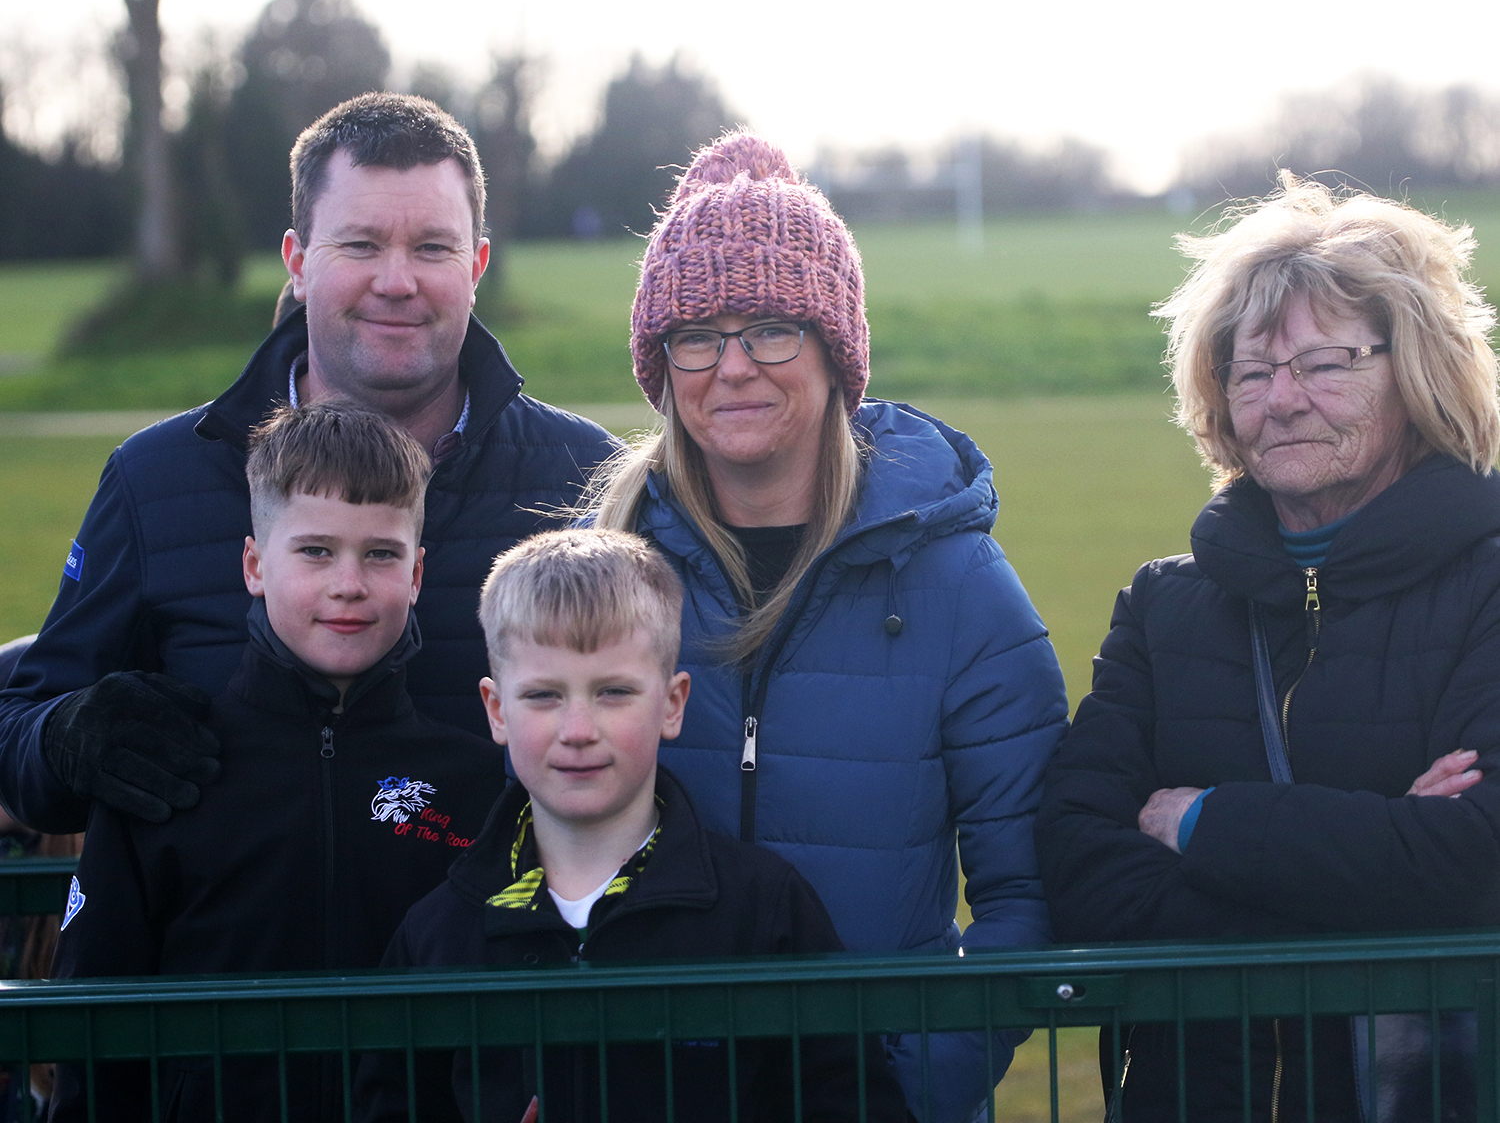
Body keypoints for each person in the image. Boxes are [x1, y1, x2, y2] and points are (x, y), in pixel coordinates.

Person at [584, 130, 1069, 1123]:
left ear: (836, 353)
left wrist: (906, 1088)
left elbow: (1029, 895)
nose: (733, 367)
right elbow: (527, 844)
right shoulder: (606, 568)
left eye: (771, 329)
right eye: (697, 334)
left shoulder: (958, 583)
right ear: (661, 365)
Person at [0, 92, 617, 836]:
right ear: (297, 262)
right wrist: (66, 740)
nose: (397, 281)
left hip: (496, 916)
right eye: (360, 245)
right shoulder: (155, 480)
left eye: (433, 247)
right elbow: (20, 732)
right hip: (235, 918)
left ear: (477, 264)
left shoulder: (587, 481)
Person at [1035, 174, 1500, 1123]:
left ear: (1418, 375)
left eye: (1325, 364)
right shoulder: (1164, 607)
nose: (1282, 400)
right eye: (1251, 373)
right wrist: (1368, 868)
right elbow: (1077, 862)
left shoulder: (1488, 586)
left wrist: (1202, 824)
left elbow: (1474, 861)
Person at [48, 401, 510, 1123]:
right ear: (255, 565)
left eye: (381, 554)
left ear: (418, 572)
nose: (349, 583)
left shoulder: (474, 782)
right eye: (316, 551)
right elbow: (94, 1019)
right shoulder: (165, 768)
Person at [354, 529, 908, 1123]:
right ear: (497, 710)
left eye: (613, 692)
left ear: (672, 703)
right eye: (543, 696)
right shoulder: (439, 935)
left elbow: (852, 1102)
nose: (578, 730)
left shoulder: (763, 911)